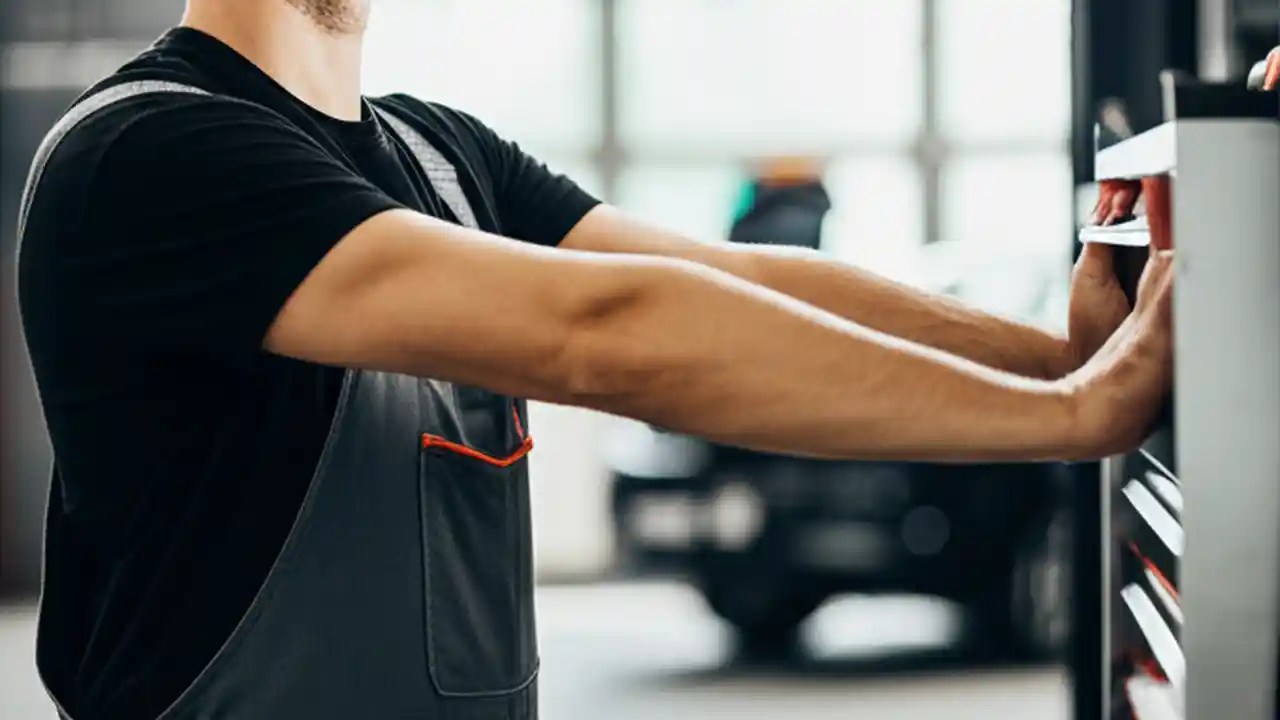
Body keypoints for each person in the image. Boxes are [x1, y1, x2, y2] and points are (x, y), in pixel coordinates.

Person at [14, 1, 1172, 718]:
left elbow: (739, 283)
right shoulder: (147, 157)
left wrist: (1057, 355)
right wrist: (1073, 416)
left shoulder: (439, 153)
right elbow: (609, 333)